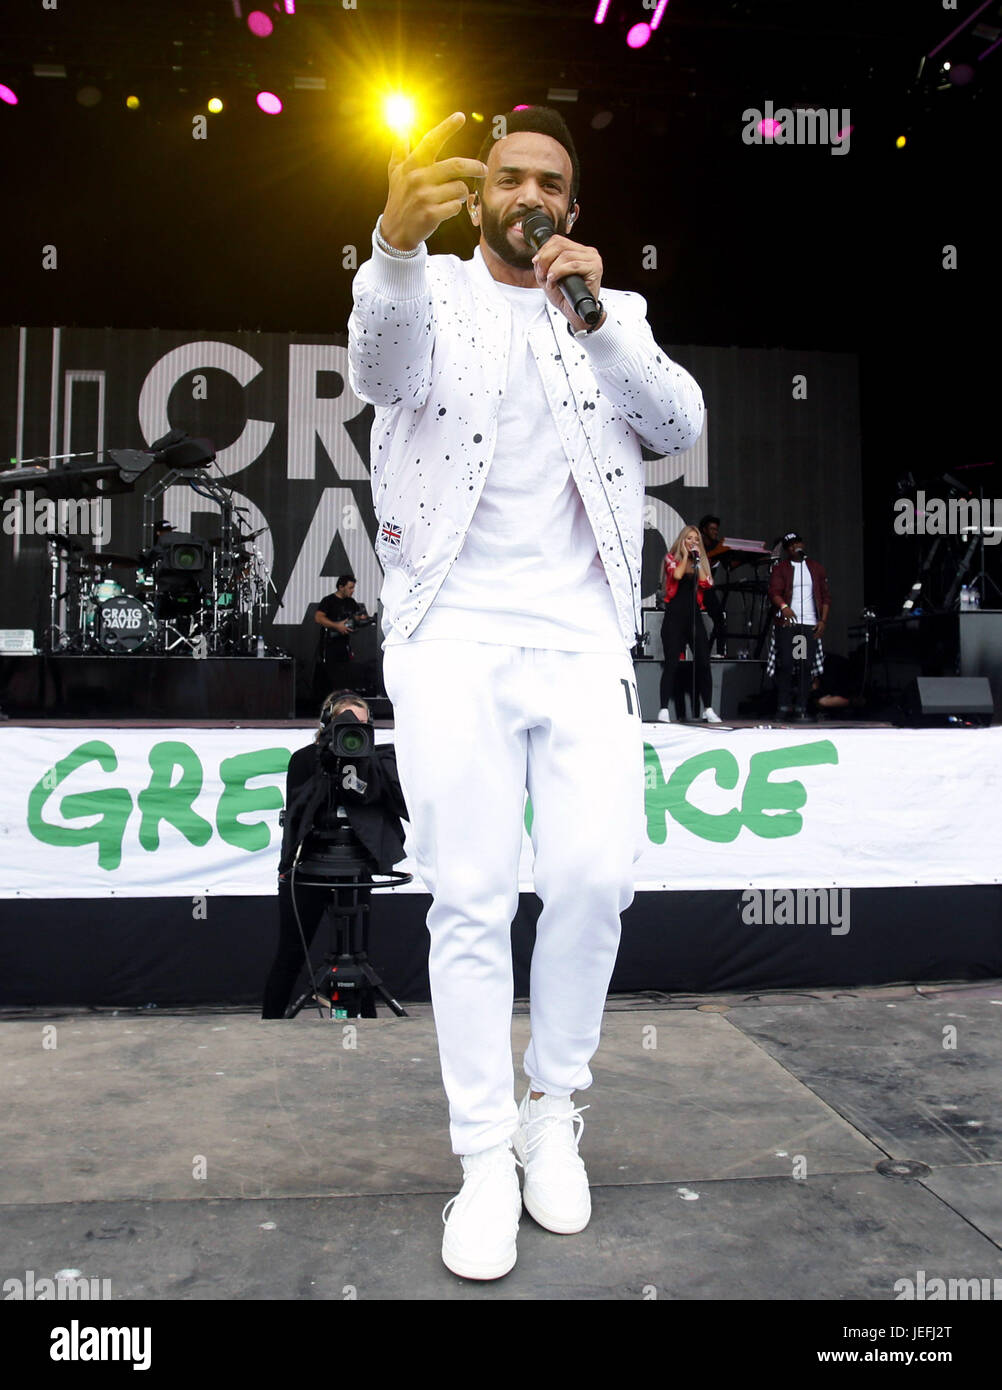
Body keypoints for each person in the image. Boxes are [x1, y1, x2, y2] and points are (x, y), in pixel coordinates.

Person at [348, 105, 704, 1280]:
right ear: (480, 190)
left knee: (597, 876)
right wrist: (392, 247)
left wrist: (599, 324)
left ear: (572, 206)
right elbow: (381, 370)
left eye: (549, 180)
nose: (526, 194)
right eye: (508, 177)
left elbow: (678, 428)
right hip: (452, 631)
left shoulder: (612, 315)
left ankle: (555, 1105)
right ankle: (484, 1154)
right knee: (471, 896)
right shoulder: (432, 290)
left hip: (579, 637)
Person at [261, 692, 406, 1018]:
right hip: (309, 869)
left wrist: (359, 769)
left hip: (354, 869)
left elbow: (385, 800)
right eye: (346, 725)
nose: (353, 733)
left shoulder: (378, 764)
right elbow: (303, 813)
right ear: (328, 726)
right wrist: (331, 765)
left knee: (358, 957)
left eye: (362, 725)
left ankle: (360, 1026)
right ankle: (269, 1026)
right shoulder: (304, 760)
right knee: (290, 955)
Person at [657, 525, 720, 723]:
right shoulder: (671, 558)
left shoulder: (700, 562)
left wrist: (698, 559)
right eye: (689, 538)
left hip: (694, 617)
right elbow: (676, 575)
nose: (693, 541)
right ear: (682, 539)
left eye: (696, 539)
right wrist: (684, 555)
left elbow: (706, 583)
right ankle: (663, 709)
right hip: (674, 617)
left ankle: (708, 708)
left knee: (703, 661)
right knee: (671, 663)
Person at [767, 532, 831, 718]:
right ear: (787, 550)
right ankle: (784, 706)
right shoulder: (782, 568)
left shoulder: (815, 568)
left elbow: (826, 597)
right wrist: (784, 607)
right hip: (789, 624)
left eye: (797, 543)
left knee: (803, 664)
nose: (795, 547)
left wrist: (823, 621)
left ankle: (801, 707)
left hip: (807, 624)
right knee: (786, 664)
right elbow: (774, 591)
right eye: (791, 545)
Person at [314, 575, 370, 695]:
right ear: (341, 587)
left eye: (353, 588)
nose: (352, 591)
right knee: (329, 676)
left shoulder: (351, 602)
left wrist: (361, 619)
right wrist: (337, 626)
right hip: (329, 645)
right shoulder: (328, 600)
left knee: (344, 675)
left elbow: (356, 618)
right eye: (350, 588)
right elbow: (318, 618)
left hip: (344, 645)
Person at [697, 514, 728, 658]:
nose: (715, 532)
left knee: (719, 617)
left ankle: (720, 652)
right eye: (712, 529)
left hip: (706, 588)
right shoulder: (696, 544)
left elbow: (730, 564)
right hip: (692, 588)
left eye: (717, 529)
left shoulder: (718, 545)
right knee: (691, 621)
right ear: (704, 530)